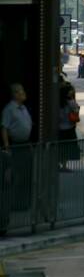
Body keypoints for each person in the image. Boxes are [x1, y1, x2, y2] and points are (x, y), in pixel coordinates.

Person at [0, 84, 34, 233]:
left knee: (26, 174)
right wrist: (7, 147)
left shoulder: (23, 108)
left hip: (25, 145)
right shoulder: (9, 109)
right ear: (15, 94)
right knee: (15, 177)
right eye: (21, 92)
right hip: (15, 146)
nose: (24, 94)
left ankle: (23, 203)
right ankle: (13, 205)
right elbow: (4, 128)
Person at [58, 83, 80, 170]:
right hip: (69, 128)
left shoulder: (59, 102)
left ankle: (59, 163)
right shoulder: (71, 102)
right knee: (67, 148)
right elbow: (76, 109)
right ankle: (64, 165)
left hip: (60, 128)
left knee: (61, 147)